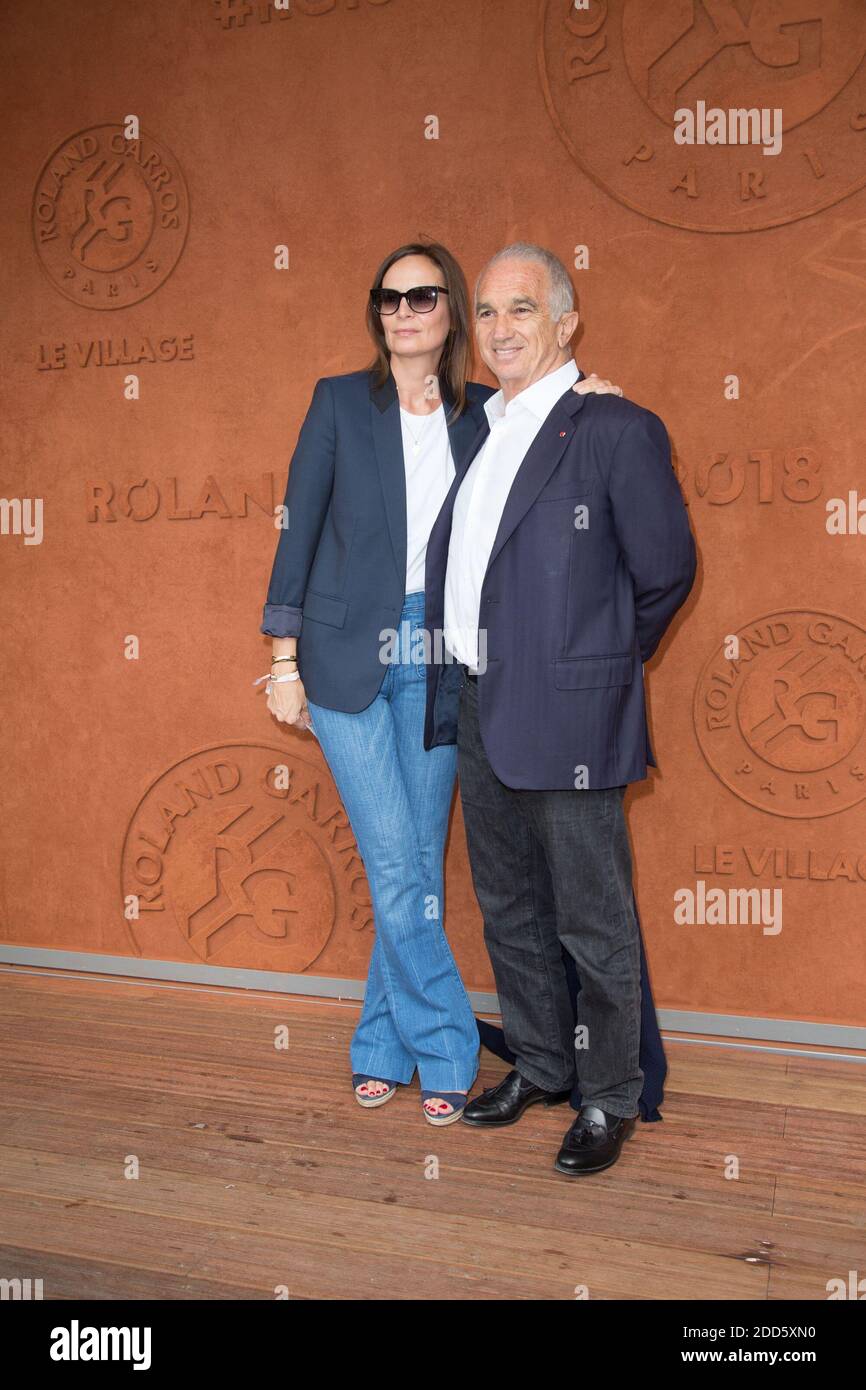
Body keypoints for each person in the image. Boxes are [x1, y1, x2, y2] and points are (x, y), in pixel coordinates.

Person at [259, 241, 623, 1125]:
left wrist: (591, 398)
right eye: (389, 297)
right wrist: (281, 660)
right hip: (342, 657)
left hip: (440, 654)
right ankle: (450, 1045)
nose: (404, 310)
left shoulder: (482, 416)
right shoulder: (339, 403)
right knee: (394, 860)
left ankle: (379, 1043)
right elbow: (298, 531)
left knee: (417, 863)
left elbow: (548, 434)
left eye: (424, 295)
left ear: (452, 310)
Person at [424, 242, 697, 1170]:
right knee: (508, 904)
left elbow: (665, 573)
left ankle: (609, 1095)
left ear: (566, 323)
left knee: (590, 914)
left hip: (571, 714)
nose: (500, 329)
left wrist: (599, 671)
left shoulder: (616, 429)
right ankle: (541, 1061)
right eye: (489, 312)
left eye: (522, 310)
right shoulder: (481, 428)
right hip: (474, 695)